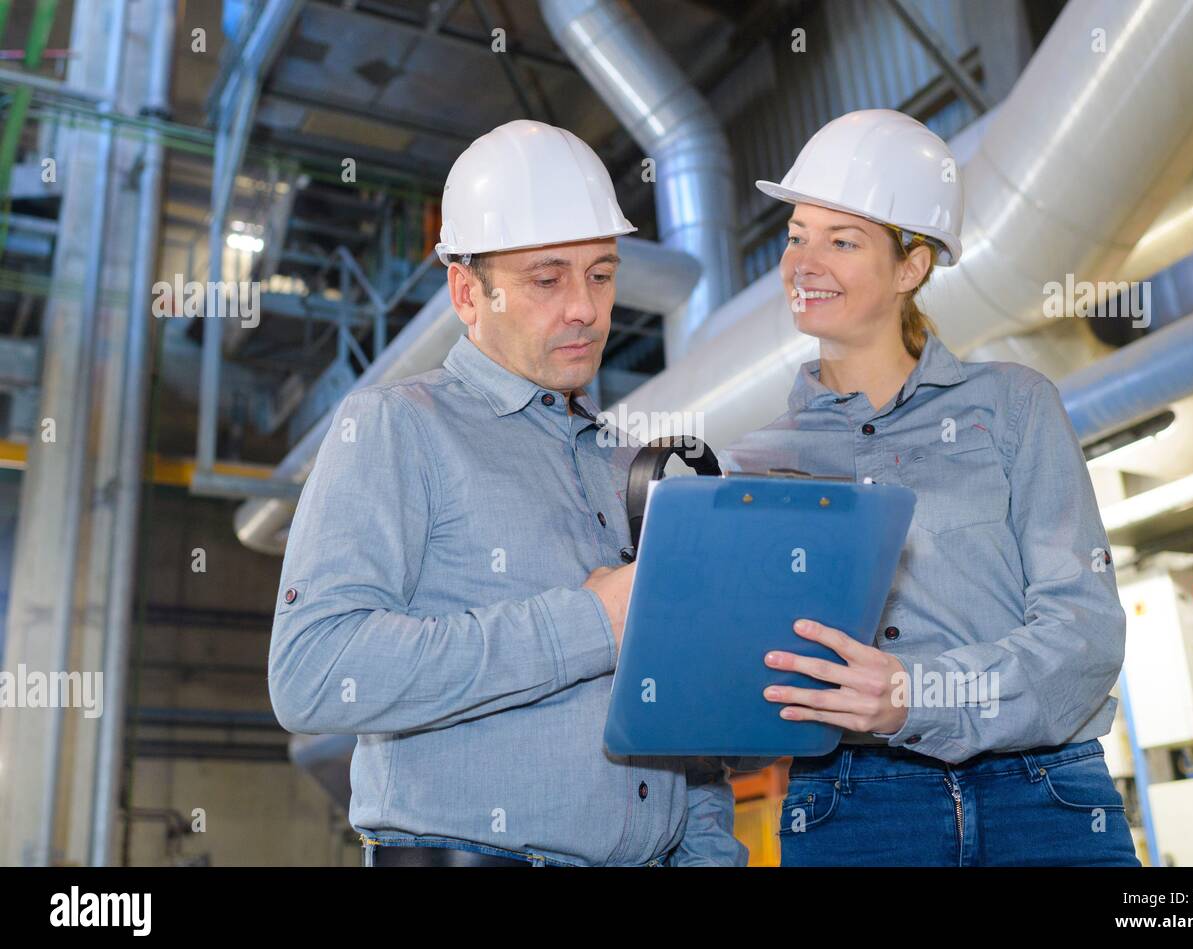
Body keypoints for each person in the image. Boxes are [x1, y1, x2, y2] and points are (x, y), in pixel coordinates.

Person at [268, 119, 745, 867]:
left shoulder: (623, 460)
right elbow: (316, 673)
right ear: (467, 291)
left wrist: (709, 851)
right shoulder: (396, 428)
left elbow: (674, 713)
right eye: (547, 280)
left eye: (601, 273)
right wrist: (593, 620)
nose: (585, 308)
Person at [722, 109, 1139, 866]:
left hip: (1043, 796)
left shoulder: (1013, 407)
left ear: (912, 268)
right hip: (851, 805)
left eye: (841, 241)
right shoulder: (757, 464)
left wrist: (920, 693)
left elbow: (1085, 633)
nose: (803, 262)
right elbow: (751, 675)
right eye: (796, 235)